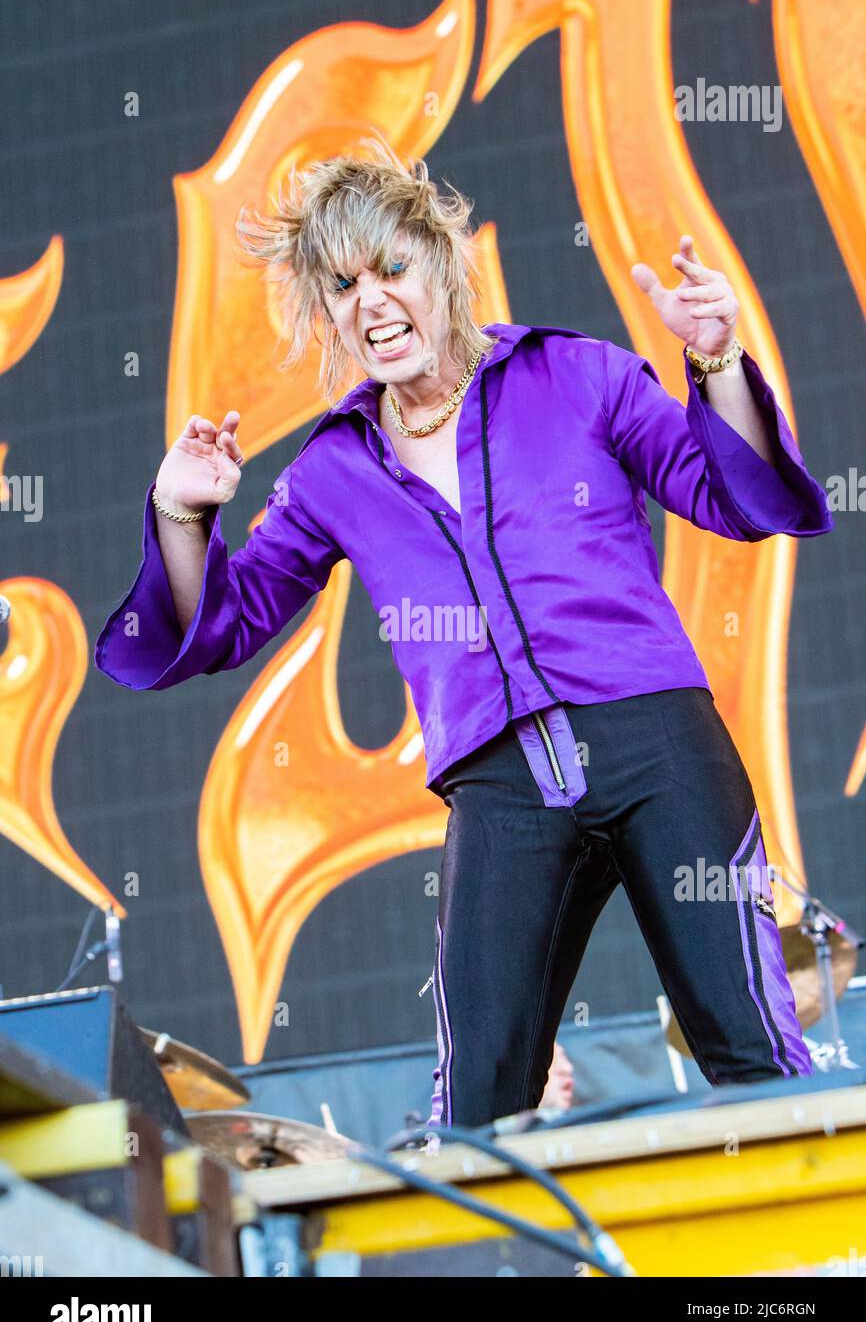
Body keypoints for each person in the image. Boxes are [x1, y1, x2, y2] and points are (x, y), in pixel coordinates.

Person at [94, 136, 833, 1129]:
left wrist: (713, 359)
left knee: (750, 1044)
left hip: (655, 742)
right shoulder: (331, 470)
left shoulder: (576, 374)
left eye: (390, 268)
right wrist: (181, 515)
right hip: (499, 785)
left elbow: (734, 496)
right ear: (328, 315)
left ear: (439, 265)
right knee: (475, 1103)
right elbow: (223, 621)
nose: (371, 301)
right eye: (343, 285)